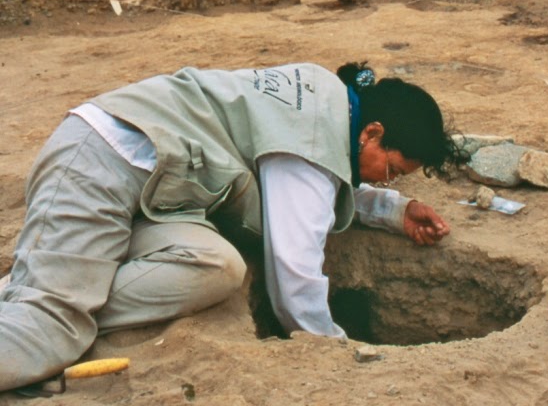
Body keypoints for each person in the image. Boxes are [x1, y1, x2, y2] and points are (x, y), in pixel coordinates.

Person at [0, 61, 464, 392]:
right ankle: (51, 301)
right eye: (393, 169)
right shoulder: (309, 138)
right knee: (52, 328)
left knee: (217, 266)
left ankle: (52, 290)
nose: (387, 178)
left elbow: (317, 188)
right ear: (373, 132)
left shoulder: (328, 109)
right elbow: (294, 270)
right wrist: (334, 351)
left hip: (158, 195)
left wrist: (392, 209)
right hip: (103, 160)